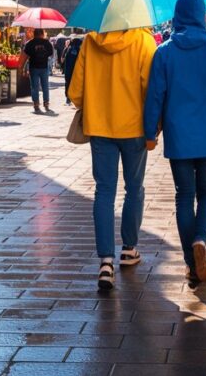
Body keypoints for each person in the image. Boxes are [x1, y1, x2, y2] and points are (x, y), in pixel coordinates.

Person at [143, 0, 206, 288]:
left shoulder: (164, 52)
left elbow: (154, 97)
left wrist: (149, 133)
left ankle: (190, 263)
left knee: (184, 195)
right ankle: (200, 240)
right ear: (201, 15)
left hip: (178, 136)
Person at [68, 22, 157, 292]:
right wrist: (153, 124)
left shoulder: (91, 41)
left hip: (99, 128)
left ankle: (105, 262)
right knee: (134, 188)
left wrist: (95, 104)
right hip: (134, 128)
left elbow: (75, 91)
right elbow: (150, 89)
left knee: (104, 192)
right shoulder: (144, 41)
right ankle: (129, 249)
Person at [19, 28, 54, 113]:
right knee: (45, 86)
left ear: (34, 34)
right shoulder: (47, 43)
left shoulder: (29, 43)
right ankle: (46, 103)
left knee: (34, 87)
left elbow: (24, 57)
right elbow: (51, 54)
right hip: (44, 68)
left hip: (33, 68)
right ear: (42, 34)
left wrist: (21, 68)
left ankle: (36, 104)